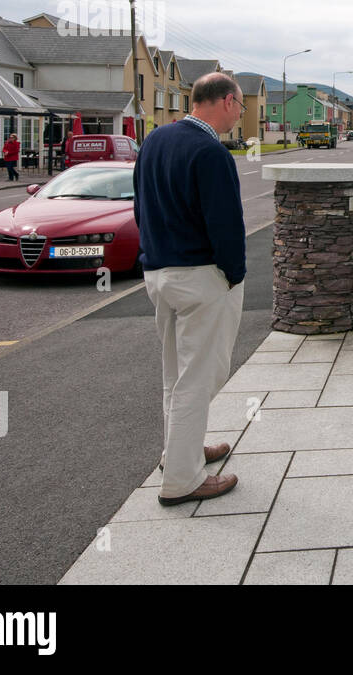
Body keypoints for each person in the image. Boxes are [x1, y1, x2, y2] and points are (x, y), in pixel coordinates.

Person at [133, 72, 248, 505]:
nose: (238, 114)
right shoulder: (211, 152)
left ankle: (178, 452)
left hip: (159, 273)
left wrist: (150, 255)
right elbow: (226, 225)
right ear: (224, 101)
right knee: (199, 377)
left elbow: (138, 207)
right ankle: (183, 480)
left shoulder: (155, 142)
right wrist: (234, 275)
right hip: (200, 277)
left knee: (175, 374)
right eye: (238, 105)